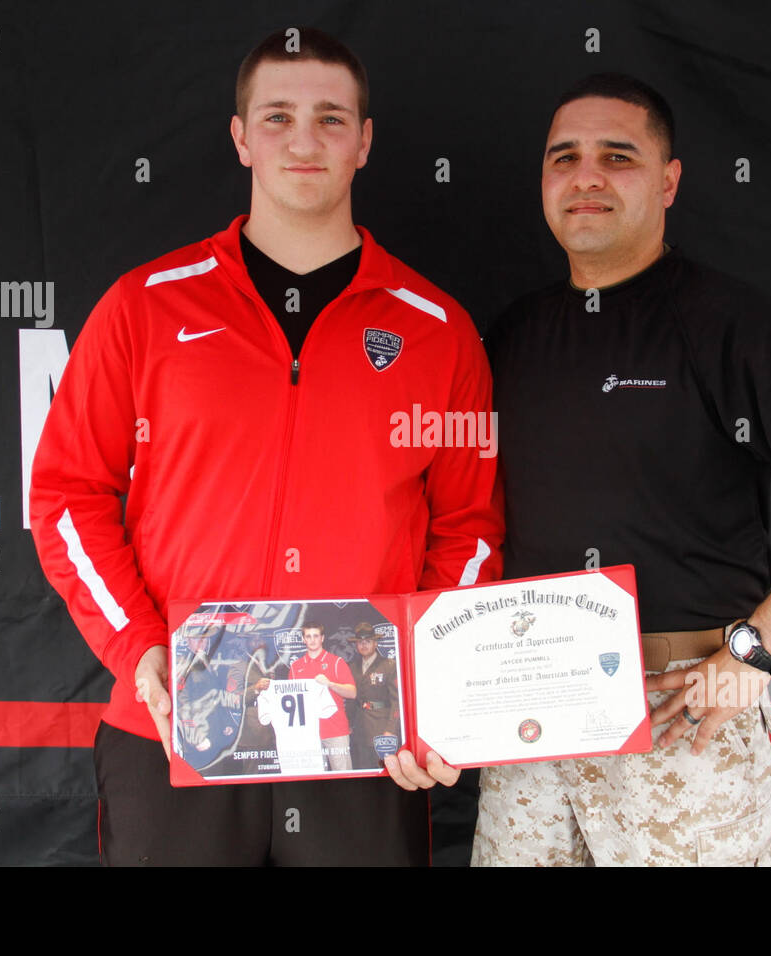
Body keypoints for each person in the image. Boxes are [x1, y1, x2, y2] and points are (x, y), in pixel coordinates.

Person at [29, 28, 501, 866]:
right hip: (177, 721)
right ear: (241, 136)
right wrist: (140, 651)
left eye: (330, 117)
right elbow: (67, 496)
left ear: (364, 140)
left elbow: (467, 534)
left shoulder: (436, 332)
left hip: (360, 734)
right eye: (277, 116)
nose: (304, 139)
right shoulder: (145, 309)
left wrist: (419, 682)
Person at [473, 73, 771, 866]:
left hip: (680, 710)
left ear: (670, 181)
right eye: (564, 158)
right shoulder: (512, 334)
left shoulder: (726, 320)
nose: (587, 177)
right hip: (529, 706)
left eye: (619, 157)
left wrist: (755, 650)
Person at [285, 623, 356, 771]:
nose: (312, 640)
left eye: (316, 636)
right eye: (308, 636)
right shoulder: (295, 667)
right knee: (314, 780)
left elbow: (352, 693)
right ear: (303, 639)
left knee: (343, 777)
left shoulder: (336, 662)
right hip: (308, 733)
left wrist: (330, 684)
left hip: (335, 730)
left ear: (322, 638)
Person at [349, 622, 400, 768]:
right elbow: (352, 700)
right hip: (360, 728)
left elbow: (397, 701)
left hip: (381, 727)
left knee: (383, 770)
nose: (364, 645)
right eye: (360, 642)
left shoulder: (388, 665)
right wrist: (349, 723)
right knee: (362, 770)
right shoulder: (352, 667)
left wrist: (391, 729)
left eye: (368, 641)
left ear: (375, 643)